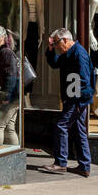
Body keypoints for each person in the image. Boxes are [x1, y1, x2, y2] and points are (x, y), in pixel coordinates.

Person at [40, 28, 93, 176]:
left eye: (57, 43)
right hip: (75, 97)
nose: (57, 46)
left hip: (77, 99)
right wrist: (50, 50)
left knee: (61, 126)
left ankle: (60, 163)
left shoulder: (78, 53)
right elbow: (55, 63)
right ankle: (84, 166)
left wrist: (74, 100)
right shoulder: (68, 53)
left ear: (65, 40)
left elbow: (83, 79)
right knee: (79, 130)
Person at [0, 26, 20, 146]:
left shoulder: (5, 52)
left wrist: (7, 98)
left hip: (11, 96)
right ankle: (15, 154)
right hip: (15, 97)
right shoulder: (6, 51)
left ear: (0, 38)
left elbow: (12, 76)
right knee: (10, 127)